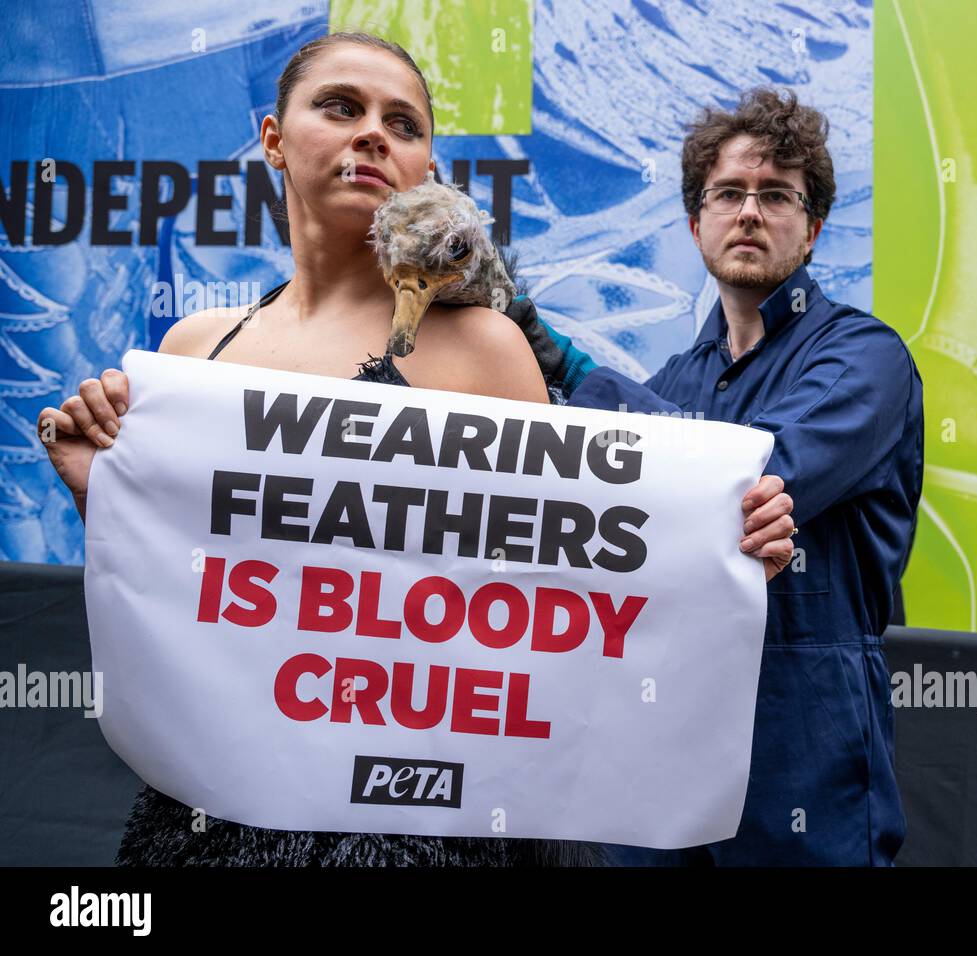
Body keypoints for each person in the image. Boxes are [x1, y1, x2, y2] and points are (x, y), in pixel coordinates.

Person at [35, 32, 796, 866]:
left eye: (403, 123)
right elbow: (181, 599)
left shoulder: (487, 348)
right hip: (215, 819)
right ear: (273, 138)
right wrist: (95, 489)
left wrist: (710, 551)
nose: (373, 134)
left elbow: (555, 596)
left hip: (420, 829)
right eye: (340, 107)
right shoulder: (192, 353)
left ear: (425, 167)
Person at [513, 87, 924, 866]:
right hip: (658, 741)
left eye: (777, 195)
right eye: (728, 193)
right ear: (695, 222)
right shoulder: (670, 379)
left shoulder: (865, 357)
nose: (748, 212)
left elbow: (739, 475)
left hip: (805, 741)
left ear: (813, 229)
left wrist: (568, 366)